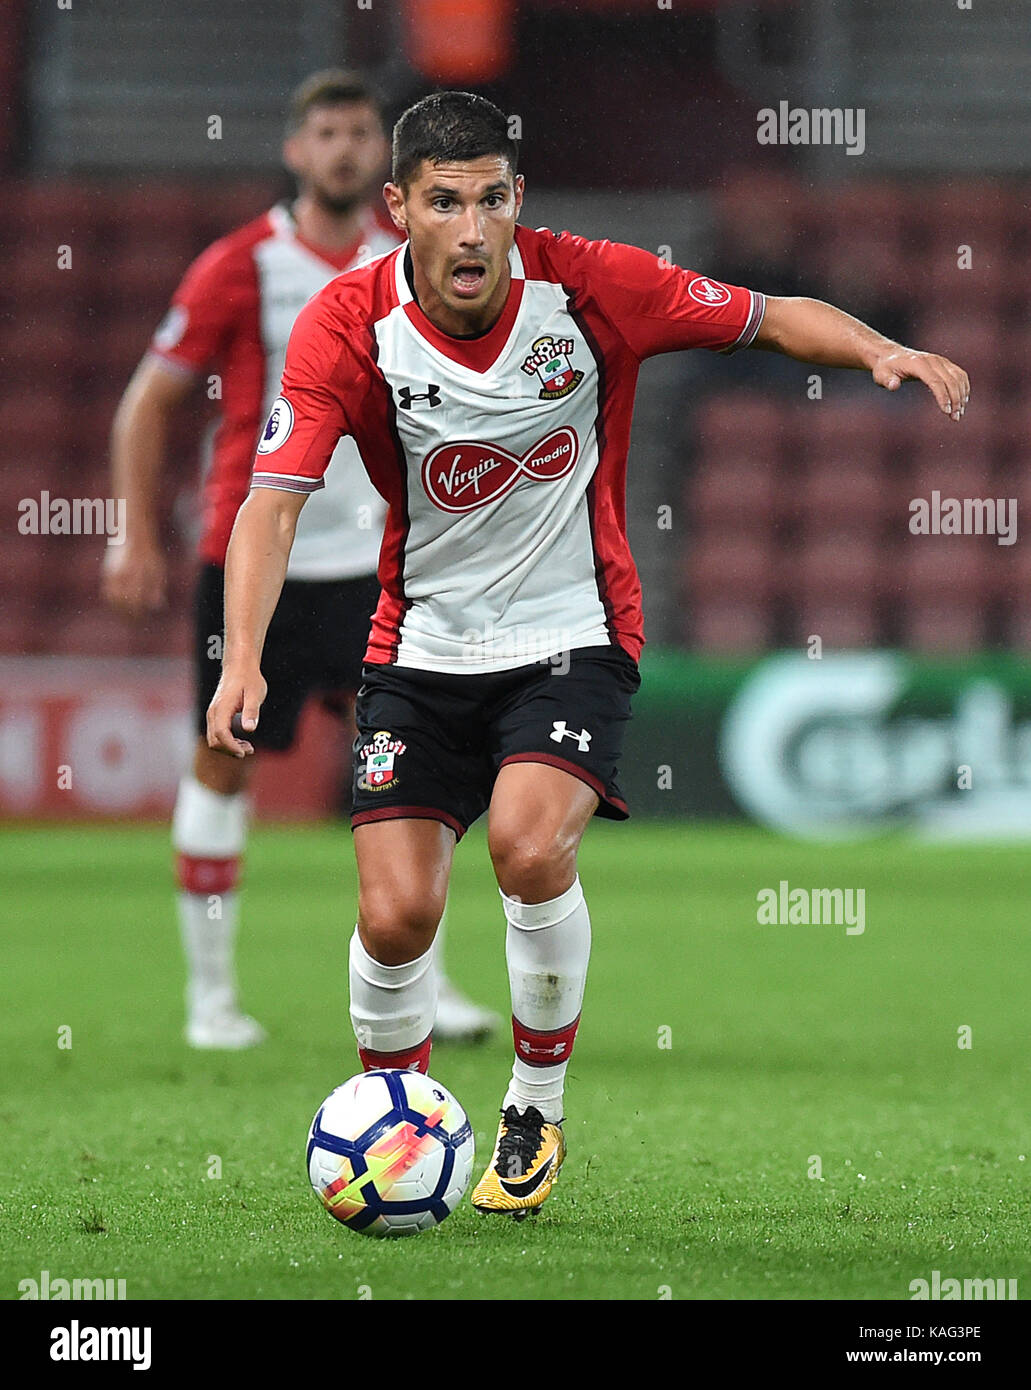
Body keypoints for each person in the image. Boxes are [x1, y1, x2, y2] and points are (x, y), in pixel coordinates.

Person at [206, 90, 969, 1216]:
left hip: (571, 637)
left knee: (523, 847)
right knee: (394, 918)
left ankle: (532, 1101)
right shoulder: (343, 322)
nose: (474, 230)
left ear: (518, 203)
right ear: (398, 208)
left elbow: (764, 316)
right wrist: (242, 659)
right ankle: (397, 1122)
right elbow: (271, 505)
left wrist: (878, 348)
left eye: (494, 201)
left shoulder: (592, 285)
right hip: (417, 647)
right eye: (446, 203)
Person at [103, 71, 499, 1051]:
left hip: (379, 562)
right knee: (222, 760)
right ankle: (210, 1000)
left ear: (383, 155)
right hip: (257, 560)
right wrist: (133, 530)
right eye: (325, 132)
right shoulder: (239, 265)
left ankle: (430, 986)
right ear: (295, 149)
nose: (344, 149)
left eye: (360, 133)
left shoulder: (409, 258)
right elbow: (148, 402)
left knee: (412, 763)